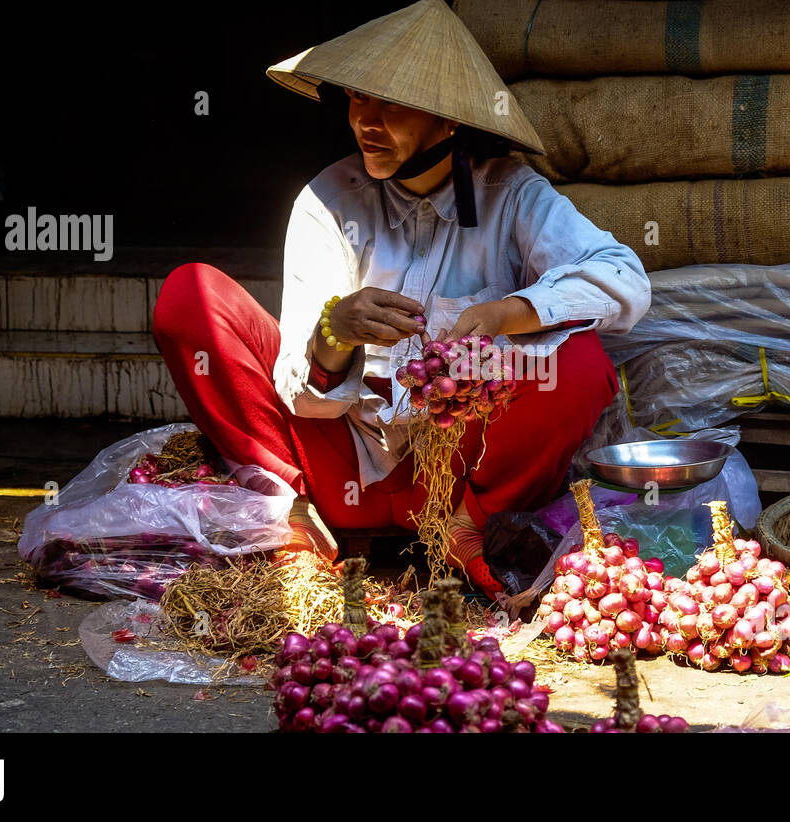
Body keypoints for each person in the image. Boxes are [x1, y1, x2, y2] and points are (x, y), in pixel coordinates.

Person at [152, 0, 649, 596]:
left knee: (581, 359)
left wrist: (506, 313)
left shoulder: (511, 195)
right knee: (190, 296)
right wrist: (334, 332)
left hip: (454, 471)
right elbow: (300, 393)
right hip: (336, 463)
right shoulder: (329, 199)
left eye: (392, 105)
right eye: (358, 99)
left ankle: (467, 532)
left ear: (450, 122)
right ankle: (290, 520)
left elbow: (624, 279)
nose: (366, 121)